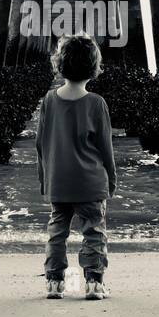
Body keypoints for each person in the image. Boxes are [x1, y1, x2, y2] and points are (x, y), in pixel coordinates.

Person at [35, 33, 116, 300]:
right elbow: (106, 148)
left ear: (59, 64)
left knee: (57, 232)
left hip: (58, 181)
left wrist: (44, 177)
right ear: (94, 67)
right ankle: (94, 283)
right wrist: (111, 179)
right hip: (91, 183)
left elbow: (41, 143)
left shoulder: (49, 100)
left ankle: (55, 283)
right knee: (94, 231)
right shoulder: (97, 103)